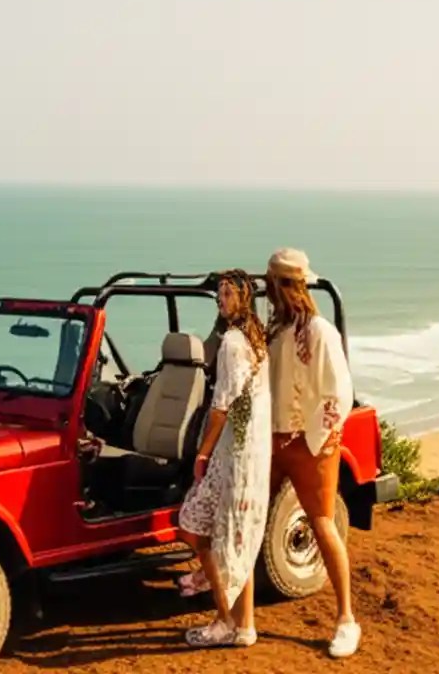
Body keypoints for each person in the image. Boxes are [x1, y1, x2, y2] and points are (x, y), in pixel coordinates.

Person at [264, 248, 359, 658]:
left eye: (270, 284)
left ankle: (346, 620)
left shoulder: (319, 332)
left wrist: (312, 440)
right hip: (272, 440)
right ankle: (232, 613)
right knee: (250, 516)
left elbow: (339, 391)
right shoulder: (277, 330)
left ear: (282, 286)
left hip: (308, 444)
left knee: (322, 523)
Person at [174, 269, 272, 648]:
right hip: (248, 447)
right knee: (234, 535)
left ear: (243, 298)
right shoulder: (254, 339)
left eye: (228, 294)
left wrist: (203, 451)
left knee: (198, 527)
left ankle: (225, 619)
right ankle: (242, 623)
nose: (222, 300)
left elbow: (222, 406)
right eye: (219, 295)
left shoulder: (233, 342)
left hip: (233, 450)